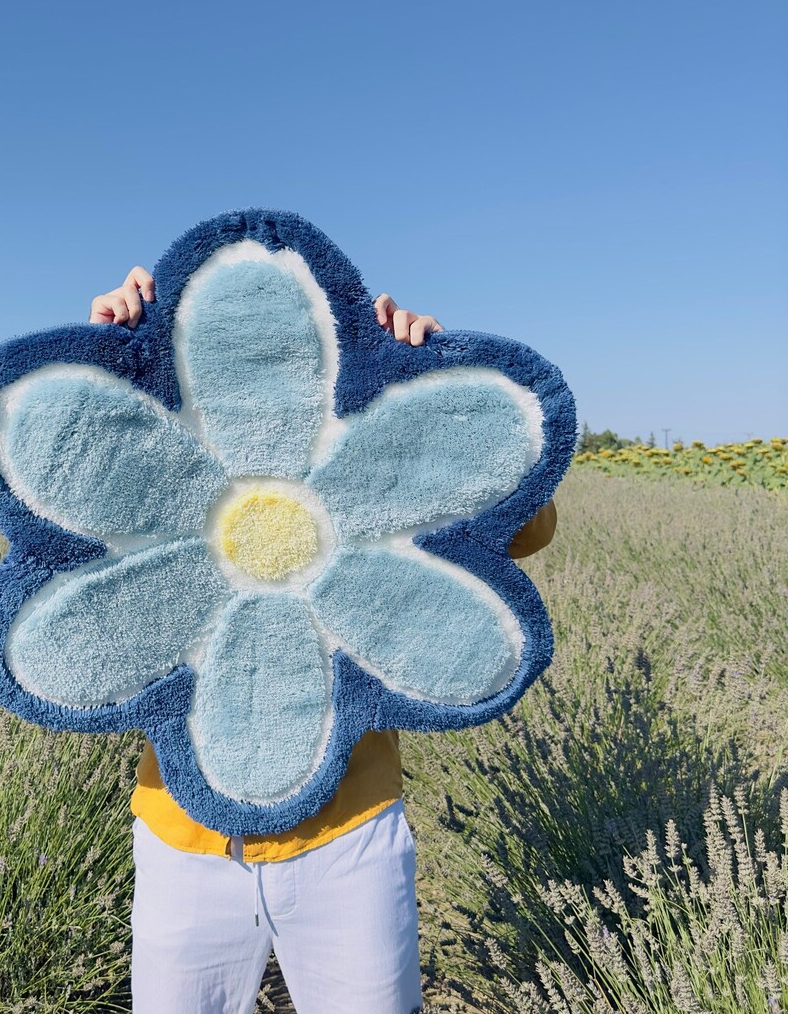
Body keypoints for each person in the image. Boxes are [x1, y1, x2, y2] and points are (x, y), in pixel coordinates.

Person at [90, 266, 557, 1014]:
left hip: (348, 831)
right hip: (184, 830)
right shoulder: (174, 431)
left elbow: (525, 529)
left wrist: (440, 393)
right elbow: (56, 520)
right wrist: (105, 366)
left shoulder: (354, 430)